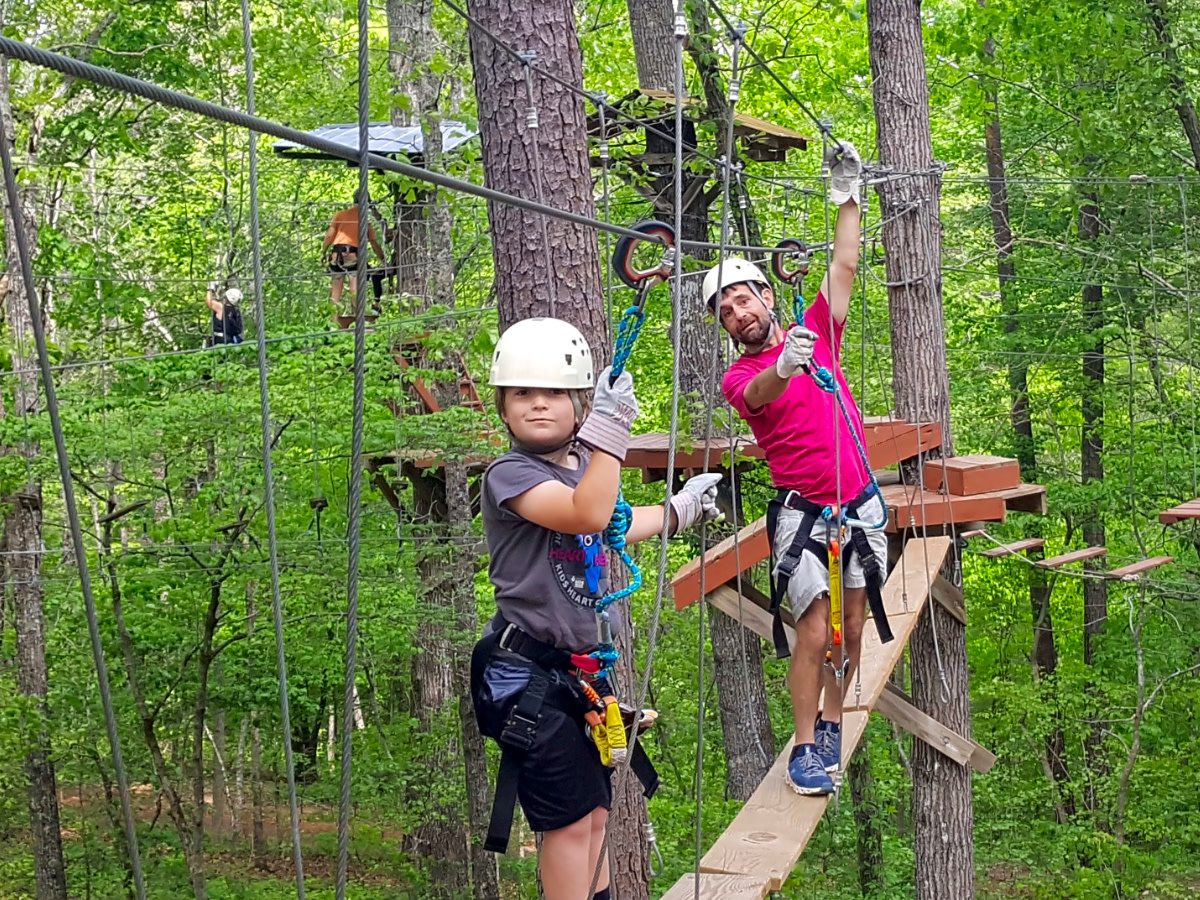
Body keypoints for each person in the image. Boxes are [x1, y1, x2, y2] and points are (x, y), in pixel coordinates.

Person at [471, 316, 721, 900]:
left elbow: (611, 523)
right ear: (504, 408)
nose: (538, 405)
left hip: (575, 677)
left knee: (596, 818)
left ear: (577, 403)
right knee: (566, 826)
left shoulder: (583, 468)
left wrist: (681, 509)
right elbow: (585, 513)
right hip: (523, 676)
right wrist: (611, 428)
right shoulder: (508, 475)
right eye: (522, 394)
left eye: (554, 393)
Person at [709, 141, 888, 797]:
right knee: (813, 627)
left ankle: (834, 722)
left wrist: (847, 193)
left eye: (744, 300)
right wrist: (782, 369)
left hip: (861, 502)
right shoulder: (740, 374)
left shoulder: (817, 334)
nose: (738, 313)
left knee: (854, 623)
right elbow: (759, 397)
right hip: (805, 510)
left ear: (765, 296)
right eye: (726, 311)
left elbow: (845, 263)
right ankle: (805, 746)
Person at [321, 190, 386, 313]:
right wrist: (382, 258)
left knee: (335, 293)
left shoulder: (340, 215)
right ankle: (357, 321)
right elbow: (373, 243)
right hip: (353, 255)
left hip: (337, 254)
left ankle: (333, 324)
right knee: (354, 290)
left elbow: (329, 236)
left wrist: (324, 252)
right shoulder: (365, 221)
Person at [205, 282, 244, 346]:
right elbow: (217, 300)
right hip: (230, 340)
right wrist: (215, 291)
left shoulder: (221, 308)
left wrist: (210, 289)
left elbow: (208, 301)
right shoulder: (235, 310)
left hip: (220, 341)